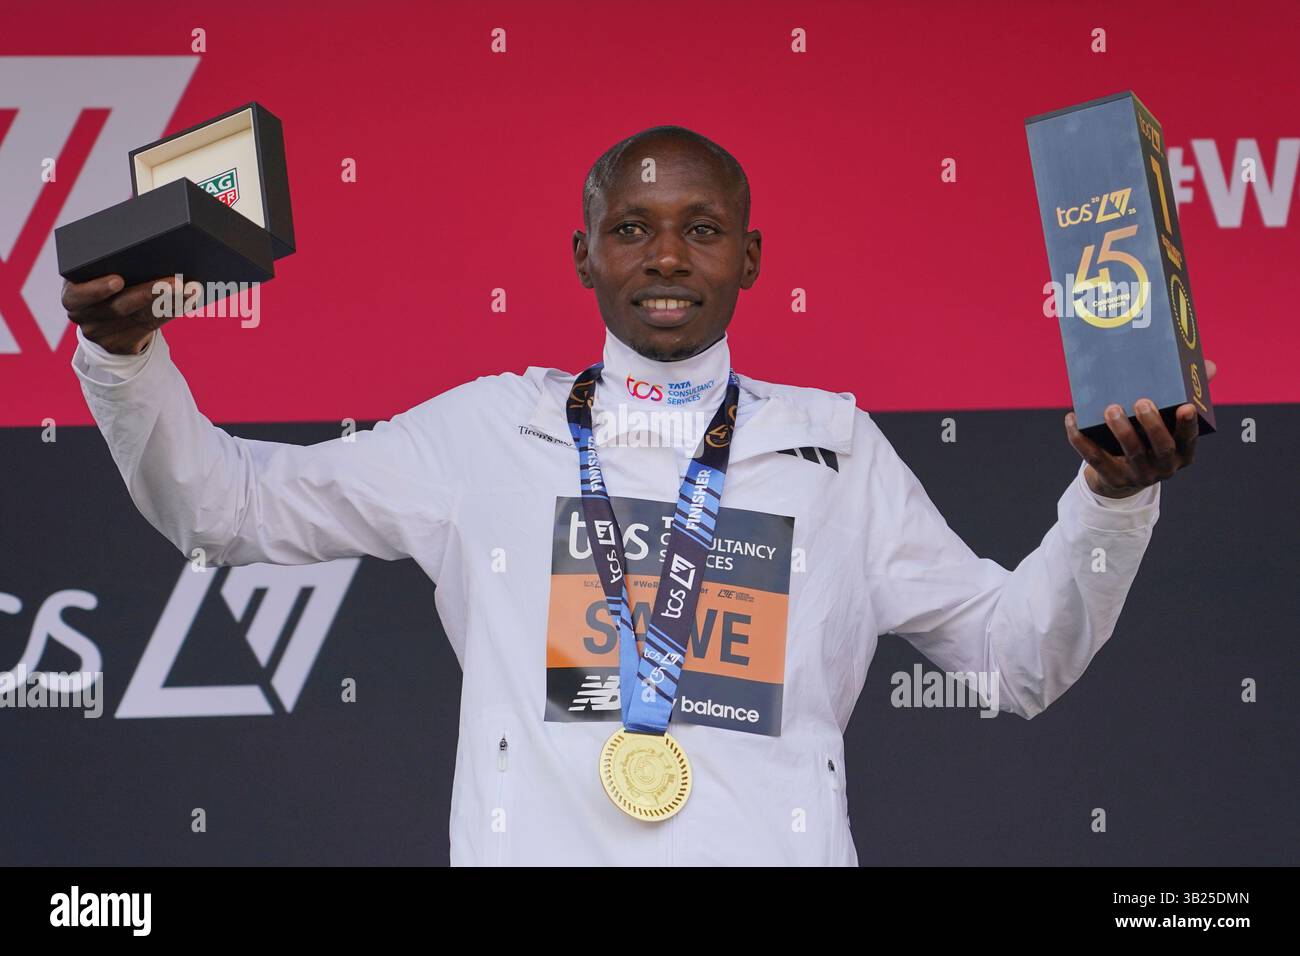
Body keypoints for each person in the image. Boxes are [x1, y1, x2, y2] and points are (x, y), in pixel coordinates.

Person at [61, 125, 1213, 865]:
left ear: (751, 258)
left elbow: (1015, 658)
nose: (667, 258)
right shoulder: (485, 429)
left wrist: (1111, 502)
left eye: (701, 232)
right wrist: (126, 361)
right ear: (582, 255)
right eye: (633, 230)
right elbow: (228, 508)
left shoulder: (833, 447)